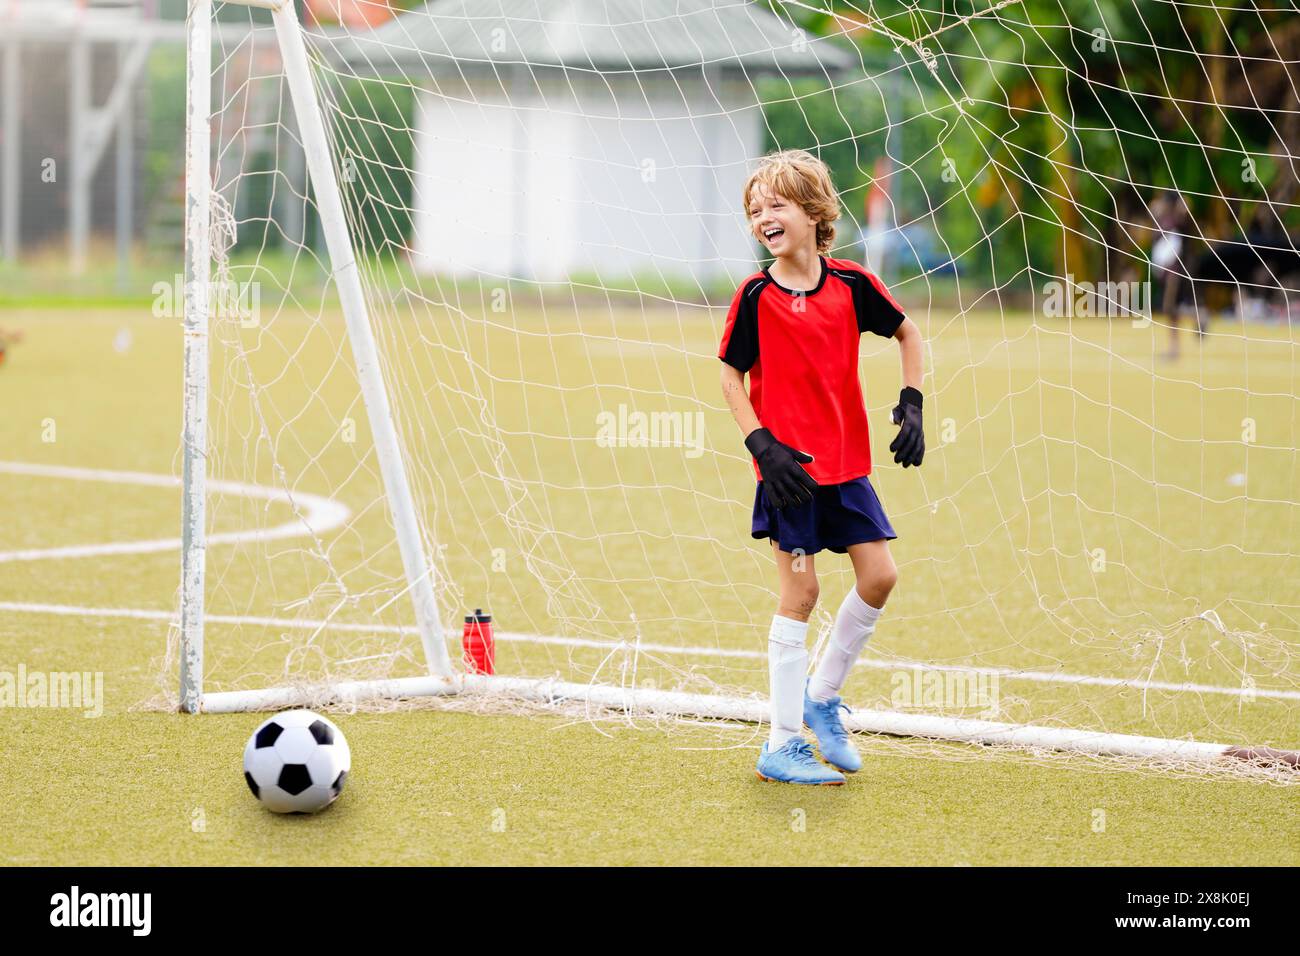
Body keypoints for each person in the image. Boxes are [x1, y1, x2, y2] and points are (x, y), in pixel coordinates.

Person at [717, 149, 926, 785]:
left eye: (776, 205)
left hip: (847, 468)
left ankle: (822, 695)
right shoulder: (755, 296)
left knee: (881, 576)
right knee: (801, 592)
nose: (763, 218)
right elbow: (728, 372)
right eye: (755, 210)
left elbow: (908, 333)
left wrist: (912, 401)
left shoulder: (853, 285)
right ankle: (781, 744)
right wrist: (761, 444)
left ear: (813, 213)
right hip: (791, 476)